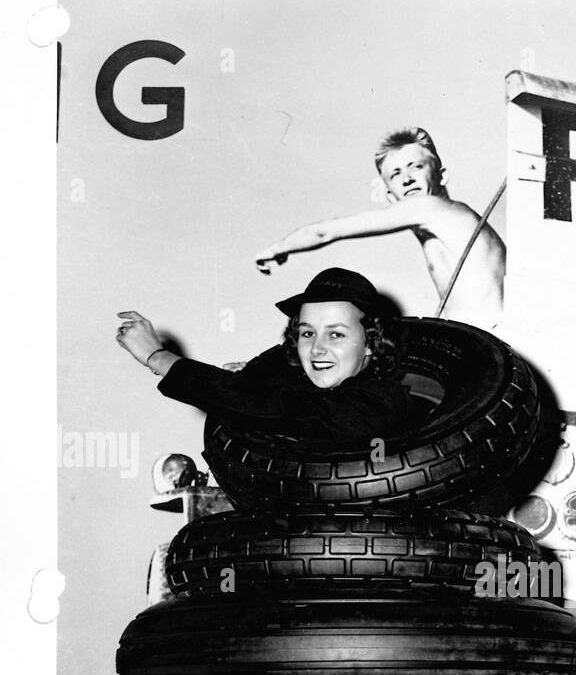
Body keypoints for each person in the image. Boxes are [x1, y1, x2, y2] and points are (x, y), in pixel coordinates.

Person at [115, 268, 425, 442]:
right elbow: (257, 388)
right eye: (307, 333)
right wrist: (251, 379)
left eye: (336, 334)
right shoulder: (298, 380)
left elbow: (281, 409)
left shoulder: (381, 402)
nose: (317, 348)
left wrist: (158, 357)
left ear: (371, 342)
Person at [253, 128, 506, 327]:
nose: (407, 178)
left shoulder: (430, 207)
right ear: (390, 197)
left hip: (496, 338)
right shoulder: (445, 221)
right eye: (395, 174)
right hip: (486, 335)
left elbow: (326, 231)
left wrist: (280, 247)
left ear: (442, 175)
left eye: (416, 167)